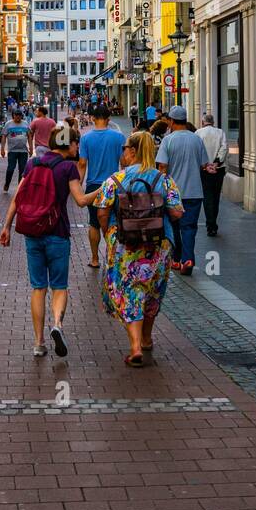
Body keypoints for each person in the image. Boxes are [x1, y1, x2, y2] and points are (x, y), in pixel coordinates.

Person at [0, 122, 100, 358]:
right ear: (69, 144)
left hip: (32, 233)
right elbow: (81, 200)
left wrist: (6, 226)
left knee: (38, 288)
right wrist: (105, 186)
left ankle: (38, 342)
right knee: (59, 286)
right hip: (57, 233)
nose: (78, 147)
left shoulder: (33, 163)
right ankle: (57, 324)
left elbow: (18, 196)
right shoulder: (68, 168)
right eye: (76, 143)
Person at [95, 130, 183, 366]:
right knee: (152, 291)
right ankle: (146, 338)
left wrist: (108, 232)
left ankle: (134, 346)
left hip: (125, 244)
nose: (122, 152)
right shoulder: (163, 180)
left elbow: (102, 210)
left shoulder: (115, 180)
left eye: (124, 148)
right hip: (158, 244)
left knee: (130, 291)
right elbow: (177, 212)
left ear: (132, 151)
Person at [155, 106, 208, 275]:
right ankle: (188, 259)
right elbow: (204, 164)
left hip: (173, 194)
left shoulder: (168, 140)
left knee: (175, 226)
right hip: (194, 191)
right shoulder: (197, 139)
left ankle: (178, 260)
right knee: (190, 227)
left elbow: (162, 166)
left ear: (171, 121)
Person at [77, 104, 125, 270]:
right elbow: (124, 163)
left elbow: (82, 164)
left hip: (93, 186)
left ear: (92, 118)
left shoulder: (86, 138)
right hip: (114, 185)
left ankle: (95, 258)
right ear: (109, 119)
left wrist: (78, 184)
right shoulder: (119, 137)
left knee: (94, 223)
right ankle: (113, 256)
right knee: (114, 222)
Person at [196, 114, 228, 236]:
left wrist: (205, 164)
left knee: (207, 196)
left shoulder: (198, 133)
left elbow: (197, 150)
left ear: (203, 122)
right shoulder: (220, 132)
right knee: (216, 196)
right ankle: (212, 222)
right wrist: (216, 163)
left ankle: (211, 224)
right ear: (213, 122)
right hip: (218, 169)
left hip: (204, 169)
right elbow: (224, 148)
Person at [0, 108, 31, 192]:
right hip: (12, 151)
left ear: (21, 116)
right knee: (10, 168)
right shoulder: (8, 124)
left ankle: (19, 187)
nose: (17, 117)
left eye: (19, 115)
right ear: (13, 115)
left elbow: (29, 136)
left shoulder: (25, 124)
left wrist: (31, 148)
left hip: (23, 151)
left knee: (22, 170)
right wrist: (2, 149)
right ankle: (7, 183)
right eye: (16, 115)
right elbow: (3, 136)